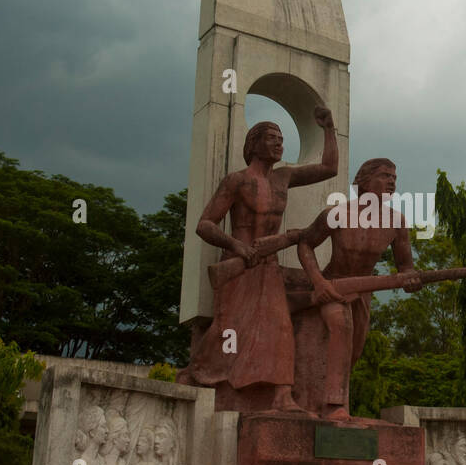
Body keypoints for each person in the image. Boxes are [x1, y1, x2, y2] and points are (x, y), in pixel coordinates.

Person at [178, 108, 338, 413]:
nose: (279, 144)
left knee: (280, 327)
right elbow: (205, 224)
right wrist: (237, 246)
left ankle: (282, 395)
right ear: (254, 143)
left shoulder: (284, 177)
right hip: (239, 267)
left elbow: (329, 168)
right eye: (272, 138)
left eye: (282, 139)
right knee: (229, 330)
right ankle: (196, 372)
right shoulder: (236, 181)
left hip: (269, 267)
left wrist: (328, 129)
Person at [295, 158, 421, 419]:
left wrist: (411, 280)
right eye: (385, 176)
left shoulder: (397, 222)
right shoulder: (339, 213)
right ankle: (334, 406)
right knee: (342, 327)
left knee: (355, 348)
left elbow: (405, 267)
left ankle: (327, 396)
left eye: (394, 178)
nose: (391, 182)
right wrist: (319, 282)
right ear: (363, 181)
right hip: (333, 284)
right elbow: (305, 244)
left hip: (363, 291)